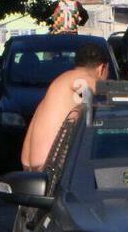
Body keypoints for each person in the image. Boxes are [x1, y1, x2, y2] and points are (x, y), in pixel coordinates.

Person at [22, 41, 109, 170]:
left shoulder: (60, 84)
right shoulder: (78, 78)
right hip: (49, 170)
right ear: (101, 69)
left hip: (34, 170)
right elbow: (107, 90)